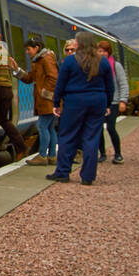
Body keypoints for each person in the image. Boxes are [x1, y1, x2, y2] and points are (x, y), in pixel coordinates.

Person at [47, 30, 113, 185]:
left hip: (74, 102)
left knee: (68, 136)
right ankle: (88, 176)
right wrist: (108, 104)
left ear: (80, 43)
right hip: (98, 101)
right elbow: (110, 86)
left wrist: (57, 103)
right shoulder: (102, 62)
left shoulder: (70, 61)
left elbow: (60, 84)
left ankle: (63, 172)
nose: (74, 44)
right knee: (91, 138)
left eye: (76, 42)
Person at [14, 36, 58, 164]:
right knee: (49, 128)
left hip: (47, 100)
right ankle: (52, 156)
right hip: (46, 100)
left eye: (28, 49)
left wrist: (44, 92)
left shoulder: (46, 59)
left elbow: (53, 78)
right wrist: (17, 70)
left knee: (42, 126)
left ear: (36, 48)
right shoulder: (38, 61)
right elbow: (29, 78)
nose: (27, 52)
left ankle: (43, 156)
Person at [0, 27, 28, 160]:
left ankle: (20, 147)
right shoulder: (4, 50)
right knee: (2, 118)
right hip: (7, 88)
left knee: (1, 119)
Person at [96, 40, 129, 164]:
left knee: (111, 128)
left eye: (104, 51)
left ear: (108, 52)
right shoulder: (94, 66)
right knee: (98, 129)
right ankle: (102, 153)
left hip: (113, 102)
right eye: (99, 51)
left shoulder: (116, 66)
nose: (102, 53)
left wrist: (123, 100)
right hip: (99, 102)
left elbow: (123, 84)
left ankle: (118, 153)